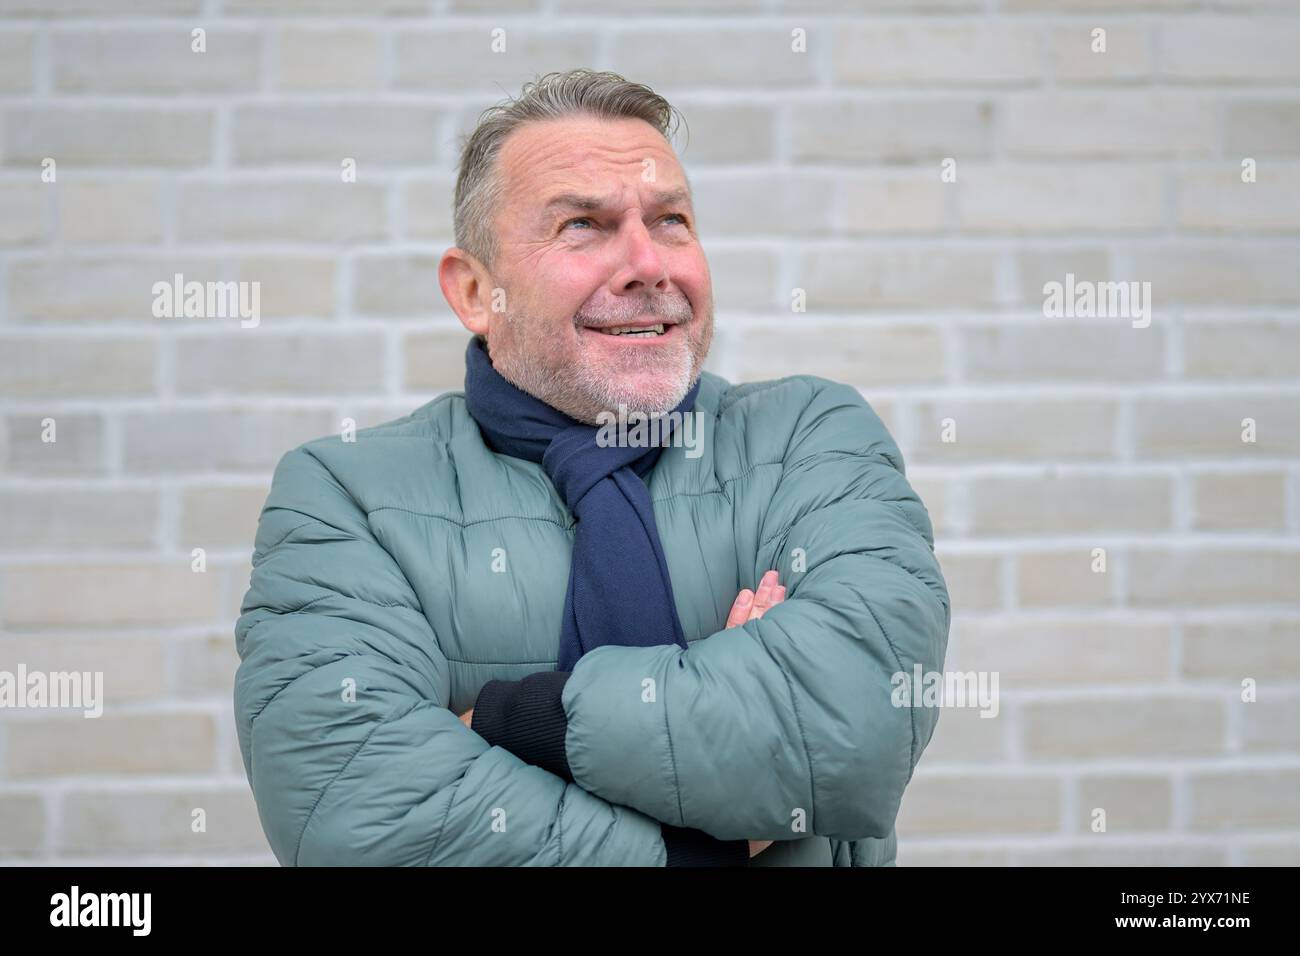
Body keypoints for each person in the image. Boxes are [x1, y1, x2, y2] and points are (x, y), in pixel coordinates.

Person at [233, 69, 950, 866]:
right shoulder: (348, 498)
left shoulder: (808, 438)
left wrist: (514, 723)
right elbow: (356, 817)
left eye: (671, 220)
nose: (648, 264)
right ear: (476, 291)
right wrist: (707, 836)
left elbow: (848, 724)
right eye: (584, 225)